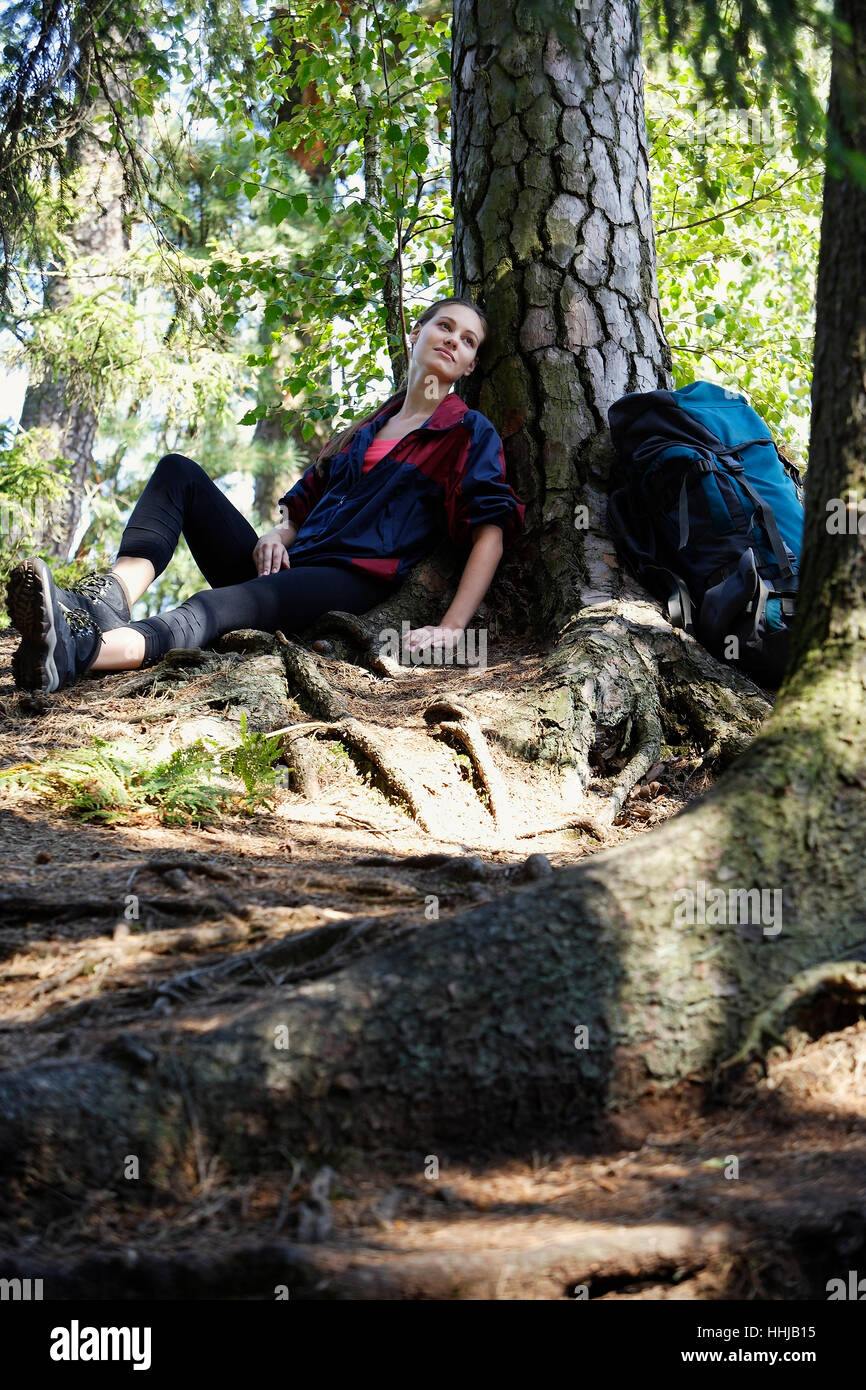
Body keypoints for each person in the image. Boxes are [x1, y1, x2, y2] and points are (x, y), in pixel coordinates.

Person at [7, 296, 525, 694]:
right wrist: (278, 532)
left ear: (471, 366)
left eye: (469, 340)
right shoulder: (365, 430)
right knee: (177, 473)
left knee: (210, 609)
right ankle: (104, 602)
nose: (454, 340)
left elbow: (490, 533)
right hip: (283, 567)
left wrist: (452, 629)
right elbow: (300, 503)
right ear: (417, 332)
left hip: (344, 580)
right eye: (445, 326)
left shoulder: (465, 431)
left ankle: (77, 653)